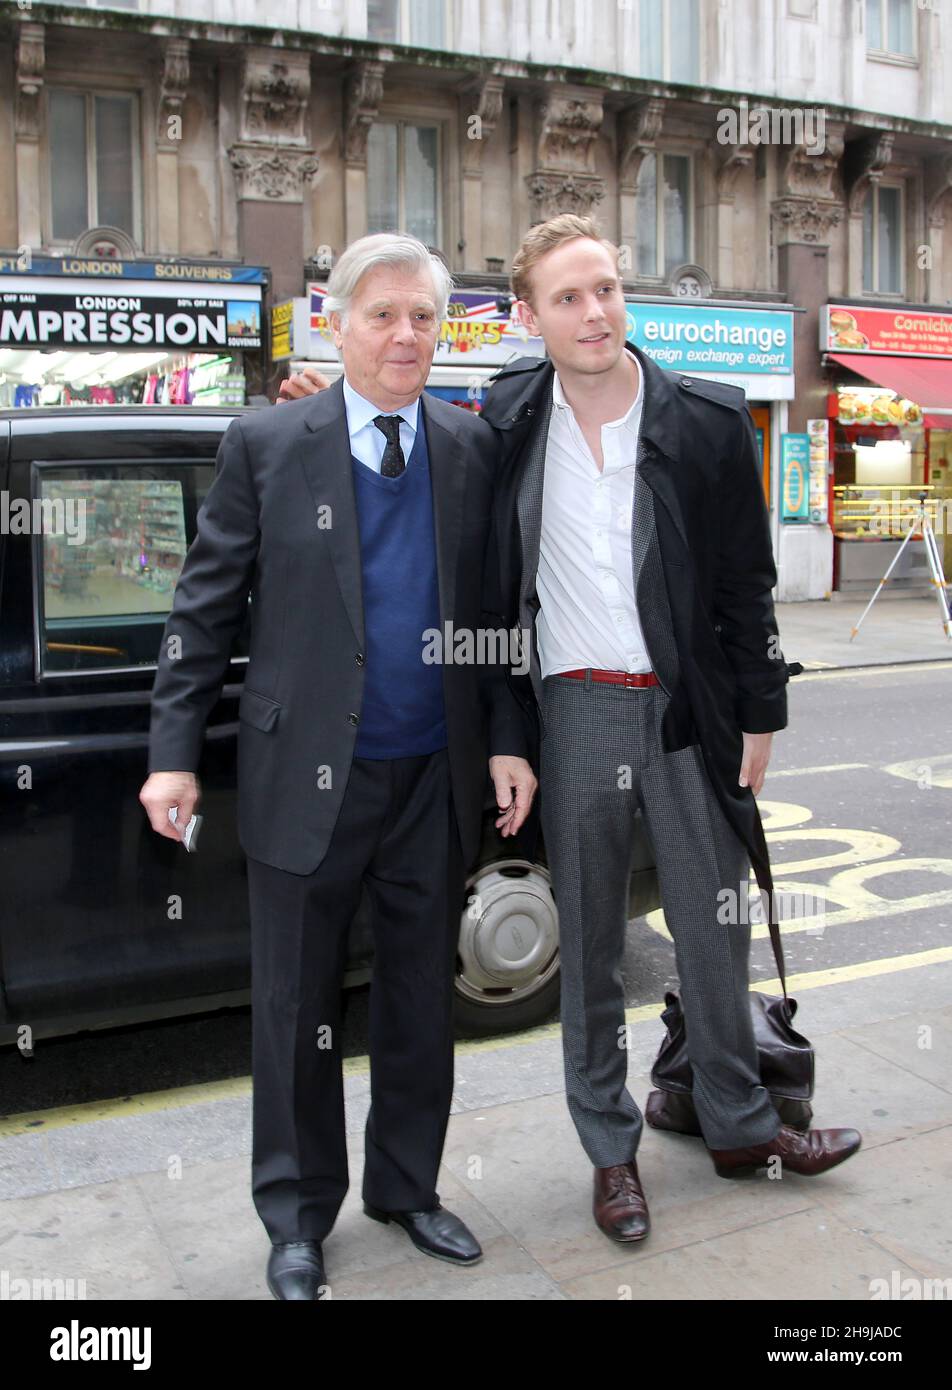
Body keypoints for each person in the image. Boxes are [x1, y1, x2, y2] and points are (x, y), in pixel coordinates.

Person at [285, 215, 863, 1249]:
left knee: (712, 928)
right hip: (575, 707)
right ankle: (610, 1154)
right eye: (567, 296)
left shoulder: (705, 418)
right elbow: (422, 490)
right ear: (527, 316)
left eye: (605, 288)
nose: (593, 312)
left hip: (690, 708)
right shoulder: (502, 422)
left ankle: (740, 1123)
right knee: (591, 943)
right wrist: (307, 409)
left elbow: (745, 587)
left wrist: (760, 713)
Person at [139, 232, 536, 1299]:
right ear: (338, 323)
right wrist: (171, 756)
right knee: (295, 1005)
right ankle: (297, 1214)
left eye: (423, 317)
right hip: (303, 775)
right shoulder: (268, 443)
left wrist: (504, 736)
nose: (405, 335)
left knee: (419, 1000)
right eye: (382, 314)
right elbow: (202, 609)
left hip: (431, 781)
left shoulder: (470, 449)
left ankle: (406, 1188)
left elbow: (497, 617)